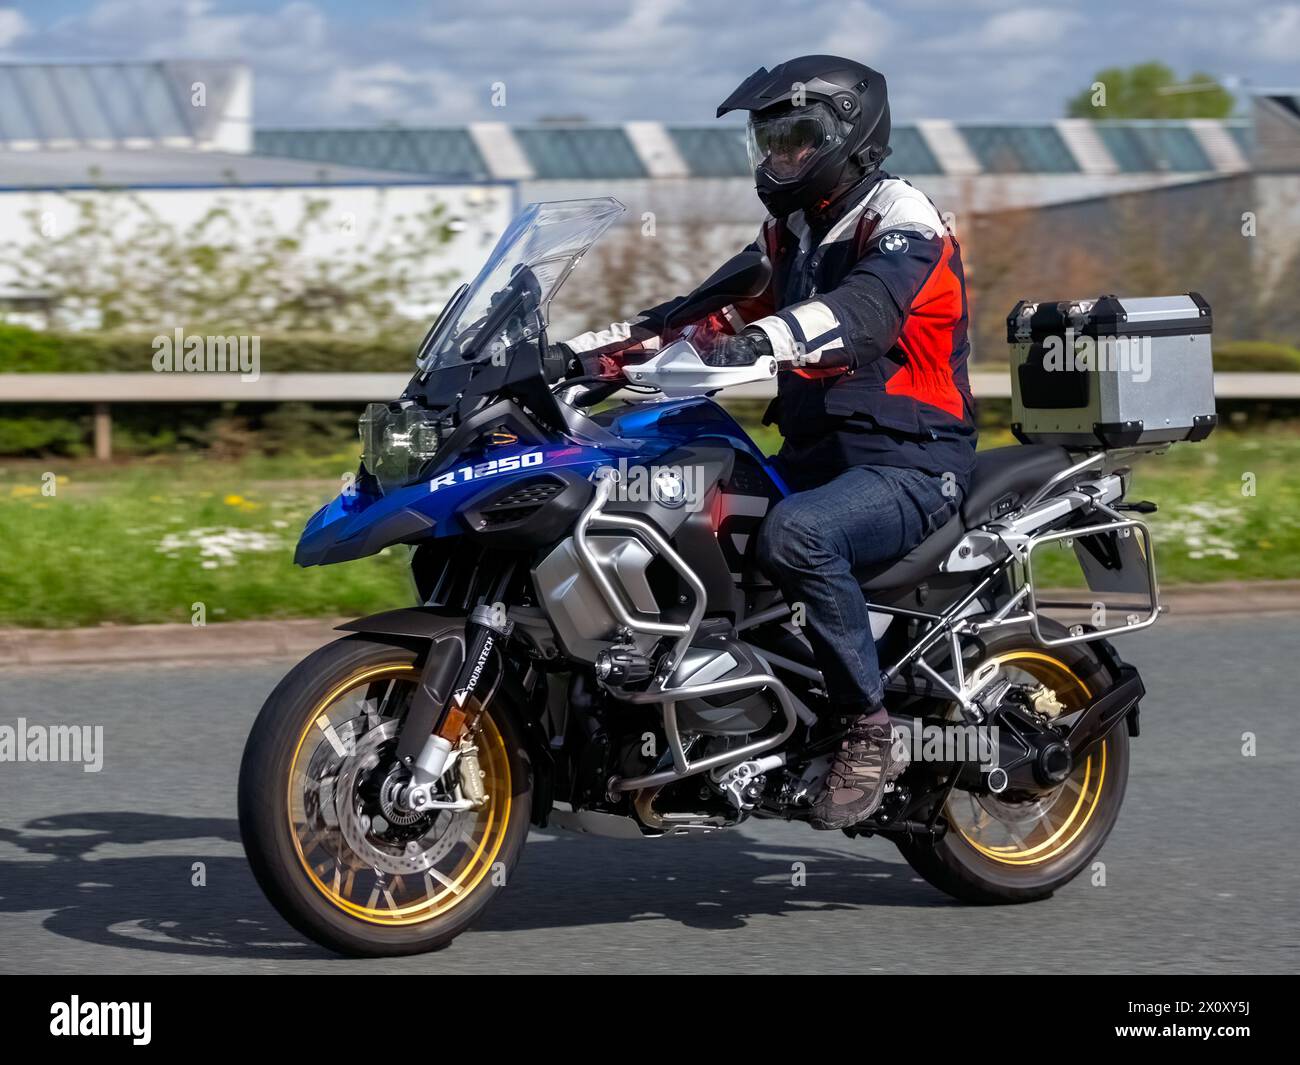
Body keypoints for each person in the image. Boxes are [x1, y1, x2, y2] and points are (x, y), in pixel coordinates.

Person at [560, 55, 977, 829]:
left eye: (796, 138)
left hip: (913, 464)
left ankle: (867, 727)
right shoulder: (791, 232)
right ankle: (716, 715)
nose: (777, 156)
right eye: (768, 140)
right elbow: (693, 316)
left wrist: (758, 344)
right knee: (676, 513)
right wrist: (575, 360)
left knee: (798, 533)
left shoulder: (903, 221)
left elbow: (865, 314)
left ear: (849, 135)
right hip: (817, 459)